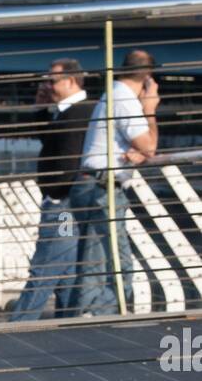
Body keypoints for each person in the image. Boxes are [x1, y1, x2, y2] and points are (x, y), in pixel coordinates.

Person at [66, 49, 160, 316]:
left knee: (95, 260)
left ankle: (86, 316)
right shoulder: (125, 100)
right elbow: (150, 146)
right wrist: (150, 109)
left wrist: (136, 151)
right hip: (102, 188)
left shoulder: (113, 95)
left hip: (88, 186)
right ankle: (101, 319)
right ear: (148, 78)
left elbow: (138, 147)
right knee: (115, 261)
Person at [10, 59, 93, 322]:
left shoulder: (81, 112)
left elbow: (70, 160)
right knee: (65, 270)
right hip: (62, 203)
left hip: (64, 207)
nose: (47, 85)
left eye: (52, 81)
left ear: (71, 81)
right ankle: (71, 326)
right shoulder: (64, 111)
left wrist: (57, 196)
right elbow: (44, 136)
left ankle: (15, 329)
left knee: (45, 267)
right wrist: (40, 106)